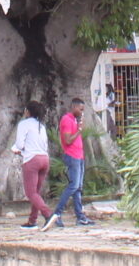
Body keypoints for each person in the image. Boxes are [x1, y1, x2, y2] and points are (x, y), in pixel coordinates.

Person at [45, 97, 91, 228]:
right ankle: (57, 213)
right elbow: (68, 140)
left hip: (79, 156)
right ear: (74, 107)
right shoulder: (66, 120)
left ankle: (80, 217)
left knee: (78, 188)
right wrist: (79, 131)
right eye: (80, 109)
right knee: (73, 185)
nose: (82, 112)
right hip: (72, 156)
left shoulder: (75, 120)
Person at [12, 101, 51, 229]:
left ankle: (48, 214)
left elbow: (19, 144)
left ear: (28, 112)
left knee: (30, 193)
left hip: (32, 160)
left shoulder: (24, 124)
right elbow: (45, 145)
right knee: (36, 193)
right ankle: (32, 220)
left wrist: (20, 150)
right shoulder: (41, 126)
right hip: (44, 159)